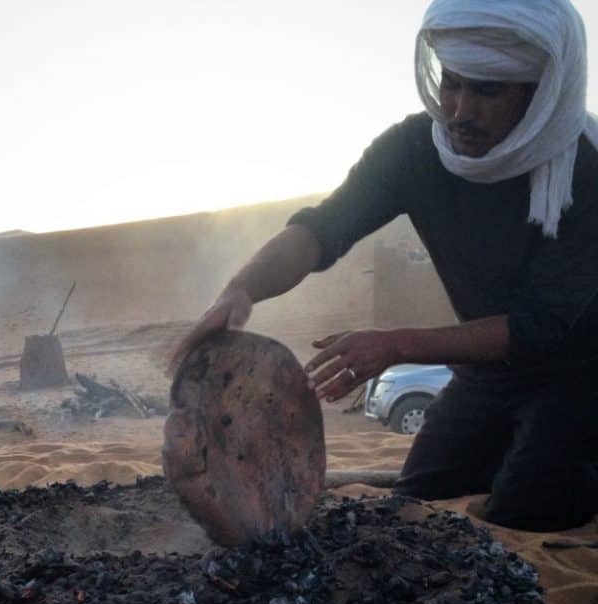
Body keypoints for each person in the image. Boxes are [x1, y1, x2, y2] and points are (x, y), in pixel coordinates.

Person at [169, 0, 598, 532]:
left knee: (528, 508)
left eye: (488, 90)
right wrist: (239, 290)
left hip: (580, 370)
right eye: (452, 83)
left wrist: (393, 345)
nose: (461, 110)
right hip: (489, 372)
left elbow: (544, 328)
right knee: (420, 495)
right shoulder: (414, 149)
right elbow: (322, 230)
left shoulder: (584, 168)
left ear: (539, 96)